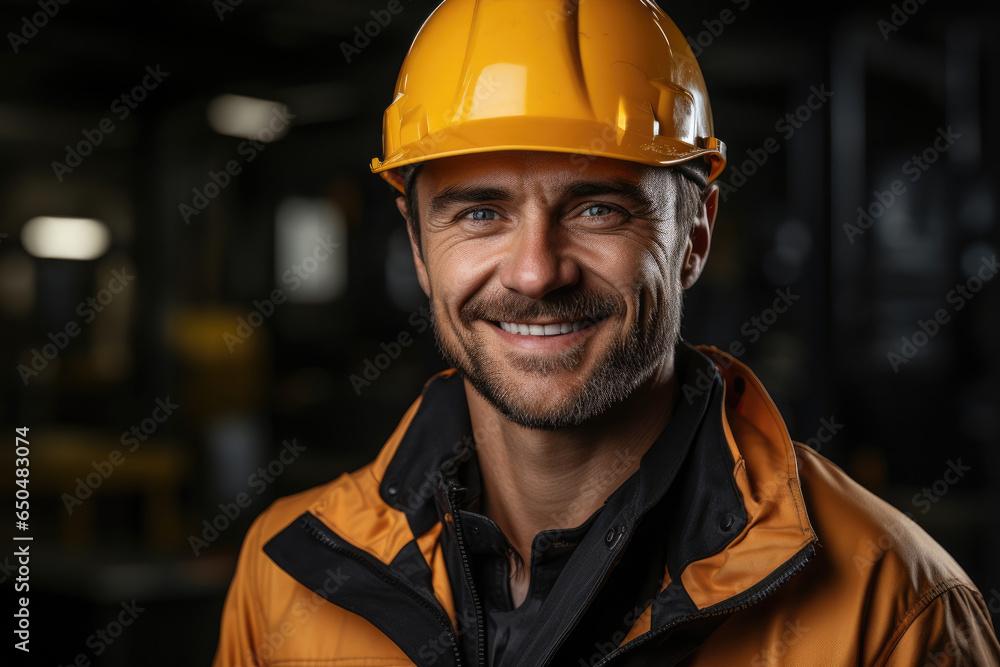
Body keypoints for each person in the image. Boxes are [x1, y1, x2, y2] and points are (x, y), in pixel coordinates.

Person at [213, 0, 1000, 665]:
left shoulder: (891, 606)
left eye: (598, 208)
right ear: (419, 247)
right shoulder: (289, 575)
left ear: (694, 234)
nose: (534, 272)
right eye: (481, 212)